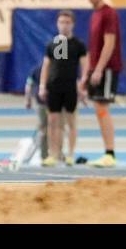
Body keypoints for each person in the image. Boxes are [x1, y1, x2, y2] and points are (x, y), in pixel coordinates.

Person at [39, 10, 86, 167]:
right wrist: (42, 86)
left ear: (72, 24)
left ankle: (70, 155)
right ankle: (54, 154)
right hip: (54, 87)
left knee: (71, 121)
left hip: (71, 86)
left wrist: (83, 85)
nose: (64, 25)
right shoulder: (52, 44)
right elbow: (46, 66)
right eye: (61, 22)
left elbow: (85, 65)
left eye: (67, 22)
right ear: (57, 24)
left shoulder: (78, 45)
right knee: (53, 122)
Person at [85, 0, 121, 167]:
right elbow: (93, 46)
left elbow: (110, 42)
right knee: (98, 108)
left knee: (102, 107)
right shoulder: (94, 15)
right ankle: (107, 152)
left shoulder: (109, 13)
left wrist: (99, 69)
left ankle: (110, 153)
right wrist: (87, 73)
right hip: (96, 68)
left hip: (106, 68)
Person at [24, 62, 49, 164]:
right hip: (44, 103)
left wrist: (28, 100)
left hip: (53, 103)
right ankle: (45, 155)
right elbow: (29, 85)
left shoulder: (37, 69)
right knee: (46, 129)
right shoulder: (37, 70)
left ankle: (51, 155)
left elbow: (28, 86)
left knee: (48, 129)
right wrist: (28, 99)